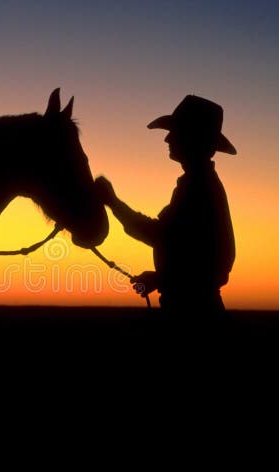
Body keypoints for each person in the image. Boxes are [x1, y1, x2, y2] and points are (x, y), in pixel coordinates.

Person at [96, 95, 236, 313]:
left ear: (193, 138)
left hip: (192, 312)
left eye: (176, 132)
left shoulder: (199, 188)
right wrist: (162, 280)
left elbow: (163, 236)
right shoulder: (201, 185)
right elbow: (190, 250)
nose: (167, 139)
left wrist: (113, 202)